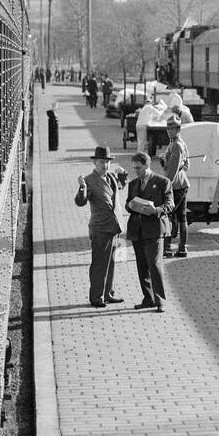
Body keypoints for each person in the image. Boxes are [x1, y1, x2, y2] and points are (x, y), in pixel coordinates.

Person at [73, 146, 129, 307]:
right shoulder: (89, 180)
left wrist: (123, 175)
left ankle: (108, 293)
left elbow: (119, 187)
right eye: (101, 162)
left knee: (111, 263)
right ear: (95, 163)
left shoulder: (111, 177)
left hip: (115, 227)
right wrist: (82, 187)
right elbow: (80, 202)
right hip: (101, 228)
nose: (105, 166)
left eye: (107, 162)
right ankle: (96, 297)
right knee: (99, 264)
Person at [126, 150, 175, 311]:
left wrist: (157, 210)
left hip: (154, 229)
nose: (136, 171)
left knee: (154, 264)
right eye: (134, 168)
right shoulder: (133, 184)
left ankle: (160, 301)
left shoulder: (162, 182)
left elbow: (170, 204)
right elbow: (128, 203)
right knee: (142, 265)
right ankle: (148, 298)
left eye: (138, 168)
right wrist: (130, 206)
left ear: (147, 166)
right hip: (137, 230)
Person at [160, 116, 190, 258]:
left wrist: (166, 185)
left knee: (169, 216)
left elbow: (171, 170)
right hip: (181, 184)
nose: (169, 131)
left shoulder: (176, 145)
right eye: (168, 128)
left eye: (172, 128)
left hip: (175, 186)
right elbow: (187, 165)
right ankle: (181, 248)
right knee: (180, 217)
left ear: (178, 129)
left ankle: (168, 248)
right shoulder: (179, 143)